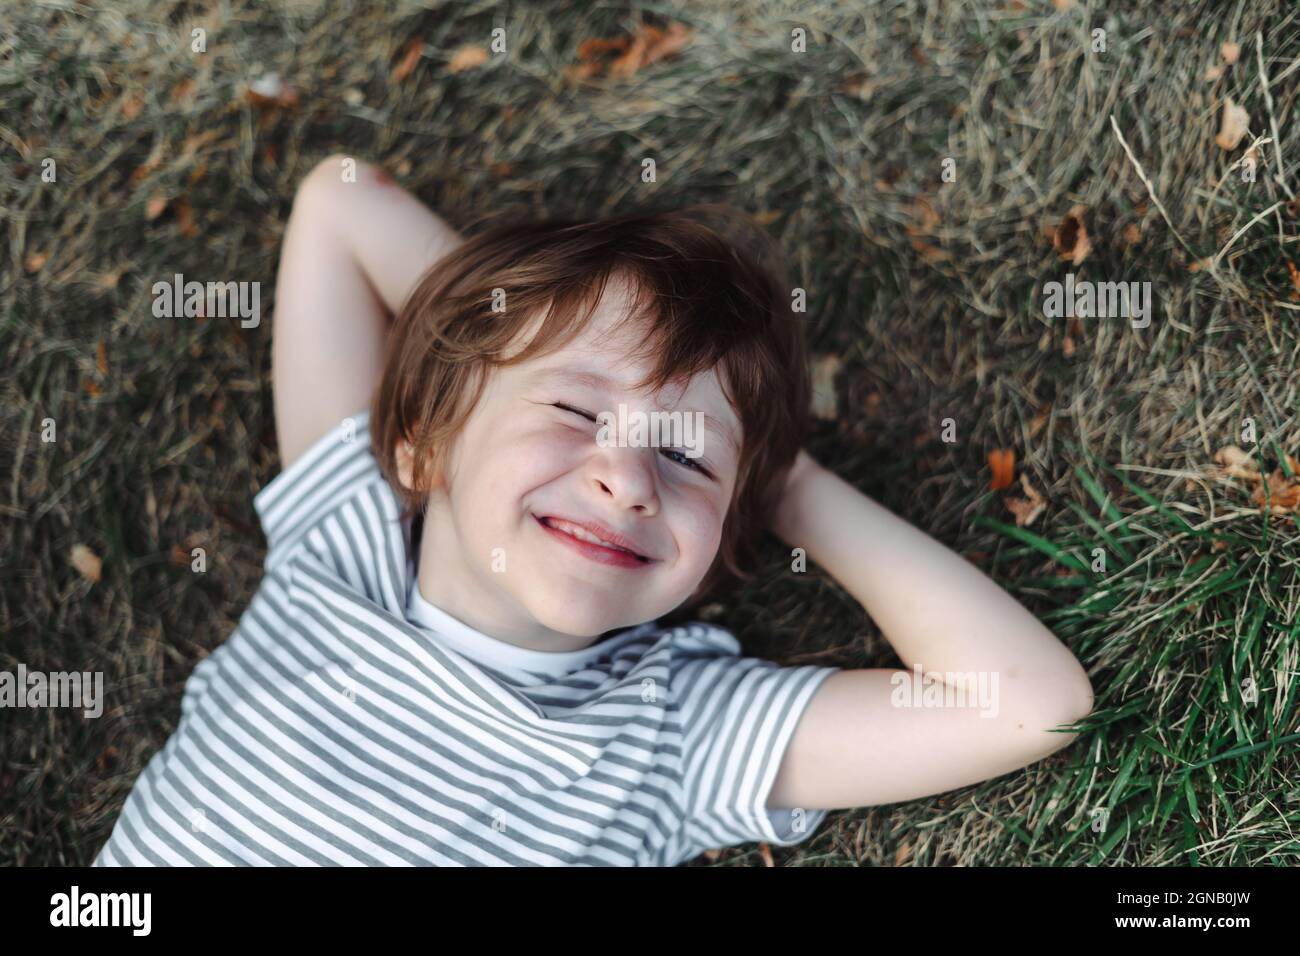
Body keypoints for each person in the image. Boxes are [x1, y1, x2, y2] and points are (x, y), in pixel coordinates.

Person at [93, 155, 1093, 866]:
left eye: (689, 459)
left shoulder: (671, 733)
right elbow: (342, 202)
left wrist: (783, 483)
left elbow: (1027, 703)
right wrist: (478, 342)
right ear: (425, 441)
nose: (627, 477)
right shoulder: (340, 540)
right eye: (573, 407)